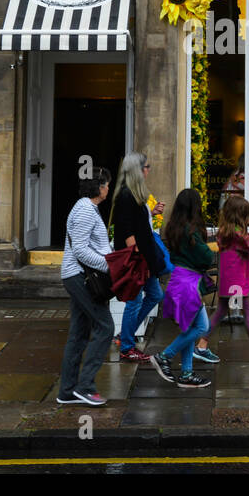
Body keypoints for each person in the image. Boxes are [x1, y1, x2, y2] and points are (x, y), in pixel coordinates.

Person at [194, 195, 249, 365]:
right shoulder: (236, 234)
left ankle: (201, 346)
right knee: (248, 313)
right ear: (241, 215)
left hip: (230, 281)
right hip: (237, 284)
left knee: (220, 311)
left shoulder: (225, 231)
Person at [57, 167, 114, 407]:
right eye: (107, 185)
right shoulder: (85, 210)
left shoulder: (87, 208)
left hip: (80, 276)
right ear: (100, 187)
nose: (108, 189)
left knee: (79, 333)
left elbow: (91, 244)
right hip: (80, 277)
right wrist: (109, 265)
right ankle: (85, 386)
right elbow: (80, 250)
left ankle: (67, 391)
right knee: (105, 326)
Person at [150, 188, 214, 388]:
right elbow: (207, 257)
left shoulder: (173, 227)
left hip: (179, 280)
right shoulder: (191, 229)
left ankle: (186, 373)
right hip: (190, 284)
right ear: (195, 207)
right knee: (202, 327)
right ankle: (164, 356)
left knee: (189, 327)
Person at [109, 152, 166, 362]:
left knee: (155, 295)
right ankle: (127, 345)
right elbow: (126, 231)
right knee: (134, 301)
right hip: (138, 259)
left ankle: (126, 334)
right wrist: (139, 260)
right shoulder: (126, 195)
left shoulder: (135, 195)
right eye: (146, 166)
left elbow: (135, 221)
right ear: (137, 170)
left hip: (145, 257)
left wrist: (150, 213)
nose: (149, 170)